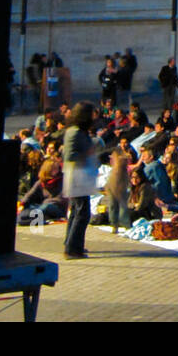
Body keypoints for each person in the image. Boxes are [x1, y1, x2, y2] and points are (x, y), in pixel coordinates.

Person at [61, 102, 97, 259]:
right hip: (77, 176)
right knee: (82, 213)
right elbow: (69, 156)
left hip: (80, 175)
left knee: (76, 212)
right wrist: (86, 154)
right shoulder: (74, 132)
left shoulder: (79, 131)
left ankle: (72, 243)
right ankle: (72, 249)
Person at [103, 151, 131, 233]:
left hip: (120, 186)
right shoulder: (114, 169)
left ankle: (124, 224)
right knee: (114, 206)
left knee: (121, 206)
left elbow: (125, 159)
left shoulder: (122, 167)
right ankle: (115, 225)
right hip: (113, 186)